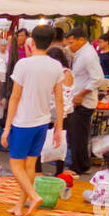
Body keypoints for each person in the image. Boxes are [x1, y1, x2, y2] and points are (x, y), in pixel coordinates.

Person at [1, 21, 64, 216]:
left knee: (15, 164)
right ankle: (20, 205)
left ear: (32, 41)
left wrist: (6, 126)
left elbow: (14, 97)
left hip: (23, 122)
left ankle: (33, 195)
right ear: (51, 42)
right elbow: (60, 100)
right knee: (29, 165)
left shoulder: (24, 64)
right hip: (42, 122)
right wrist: (59, 127)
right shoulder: (56, 66)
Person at [67, 24, 104, 174]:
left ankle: (79, 166)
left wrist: (81, 94)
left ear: (81, 40)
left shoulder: (88, 54)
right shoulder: (82, 53)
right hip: (78, 99)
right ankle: (81, 163)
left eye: (71, 42)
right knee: (76, 135)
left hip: (84, 102)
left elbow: (98, 78)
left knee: (78, 136)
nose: (69, 46)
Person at [42, 46, 76, 177]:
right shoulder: (54, 73)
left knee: (59, 141)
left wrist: (60, 118)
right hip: (51, 112)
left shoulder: (66, 73)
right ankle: (54, 171)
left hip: (62, 114)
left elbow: (66, 99)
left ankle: (59, 172)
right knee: (49, 140)